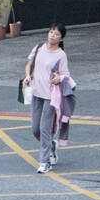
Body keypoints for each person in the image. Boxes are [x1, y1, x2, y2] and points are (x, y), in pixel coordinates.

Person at [23, 23, 75, 174]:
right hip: (36, 93)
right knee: (35, 129)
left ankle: (45, 162)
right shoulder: (39, 47)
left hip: (51, 97)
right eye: (51, 32)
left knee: (45, 129)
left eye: (56, 34)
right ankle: (51, 145)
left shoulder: (61, 55)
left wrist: (59, 78)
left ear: (62, 38)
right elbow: (29, 64)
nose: (52, 35)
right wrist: (27, 76)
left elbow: (66, 75)